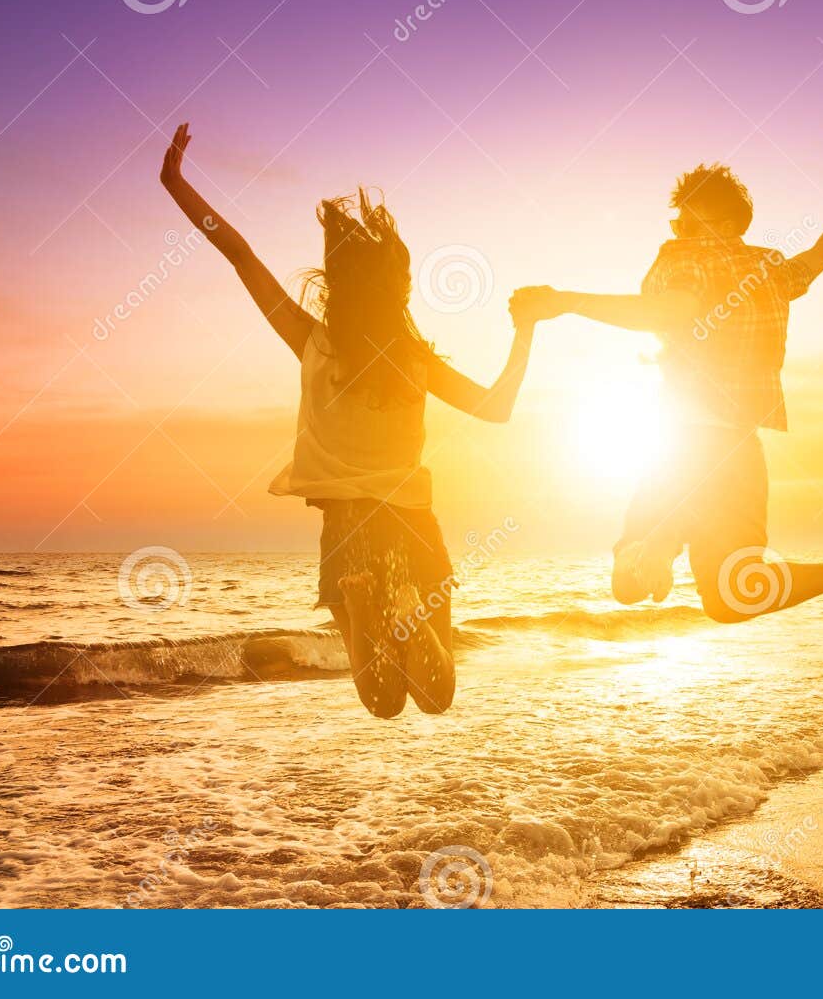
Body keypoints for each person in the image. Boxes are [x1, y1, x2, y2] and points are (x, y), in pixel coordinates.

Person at [159, 122, 539, 718]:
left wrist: (176, 185)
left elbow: (240, 255)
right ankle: (405, 609)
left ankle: (363, 606)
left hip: (346, 528)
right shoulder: (414, 362)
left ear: (337, 285)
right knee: (436, 697)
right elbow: (498, 408)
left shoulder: (312, 342)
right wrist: (526, 333)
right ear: (398, 289)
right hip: (413, 523)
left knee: (382, 701)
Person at [514, 159, 823, 622]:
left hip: (683, 441)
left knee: (627, 588)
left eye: (687, 220)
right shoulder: (769, 269)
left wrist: (566, 301)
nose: (678, 228)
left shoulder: (686, 255)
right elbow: (820, 256)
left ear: (723, 226)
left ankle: (657, 548)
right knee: (734, 598)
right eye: (677, 220)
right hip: (739, 451)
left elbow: (670, 311)